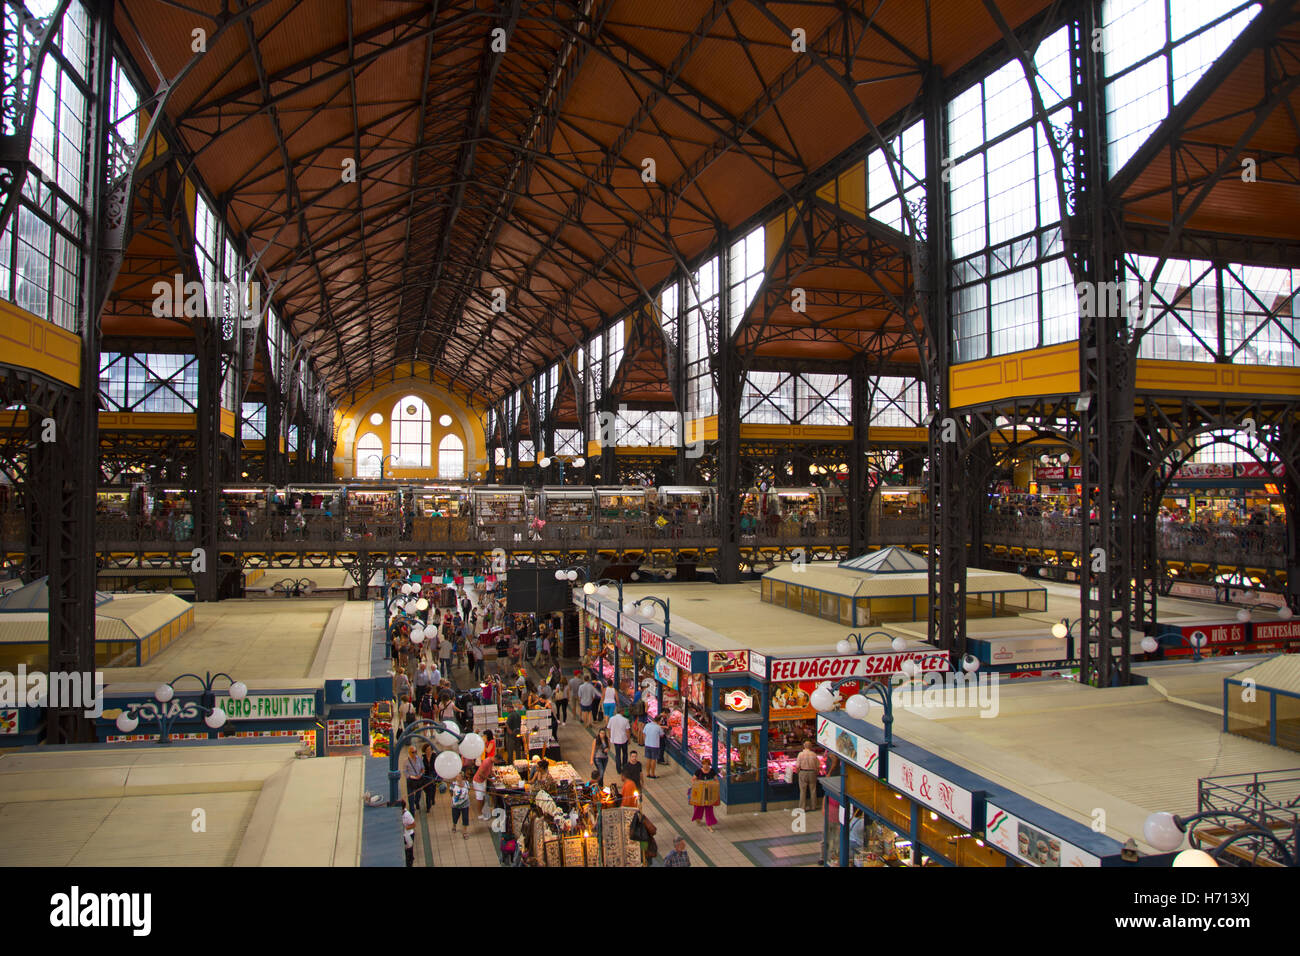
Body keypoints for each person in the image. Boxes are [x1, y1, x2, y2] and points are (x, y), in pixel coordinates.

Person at [690, 758, 719, 831]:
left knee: (709, 809)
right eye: (704, 764)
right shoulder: (698, 771)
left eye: (707, 765)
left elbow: (716, 781)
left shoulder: (712, 771)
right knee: (698, 807)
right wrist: (699, 784)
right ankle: (698, 818)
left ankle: (709, 824)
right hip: (700, 793)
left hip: (708, 793)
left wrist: (712, 784)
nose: (706, 766)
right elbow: (693, 779)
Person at [796, 739, 821, 811]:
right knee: (813, 790)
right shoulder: (814, 754)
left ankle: (802, 807)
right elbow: (818, 766)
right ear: (811, 746)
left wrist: (798, 773)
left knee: (802, 791)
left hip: (803, 772)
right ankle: (813, 806)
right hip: (812, 772)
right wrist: (816, 773)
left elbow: (797, 766)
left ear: (804, 746)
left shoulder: (800, 754)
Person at [473, 744, 495, 821]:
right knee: (479, 798)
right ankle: (479, 814)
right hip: (478, 781)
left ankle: (482, 812)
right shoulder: (486, 762)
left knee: (482, 797)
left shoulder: (491, 762)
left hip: (483, 781)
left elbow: (490, 770)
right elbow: (481, 774)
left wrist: (495, 776)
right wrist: (489, 779)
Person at [402, 745, 426, 812]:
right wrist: (411, 777)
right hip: (411, 780)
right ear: (409, 752)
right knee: (410, 796)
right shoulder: (406, 761)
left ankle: (417, 802)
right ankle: (412, 810)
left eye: (415, 752)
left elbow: (423, 768)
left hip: (419, 779)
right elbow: (405, 771)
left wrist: (420, 775)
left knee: (418, 793)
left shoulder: (419, 759)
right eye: (413, 752)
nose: (414, 753)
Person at [608, 707, 632, 772]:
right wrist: (629, 739)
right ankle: (624, 767)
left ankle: (618, 769)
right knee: (625, 753)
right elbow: (627, 731)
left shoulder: (611, 719)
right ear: (622, 711)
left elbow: (609, 728)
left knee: (617, 754)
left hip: (615, 739)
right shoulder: (625, 720)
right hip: (623, 739)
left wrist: (610, 737)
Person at [450, 772, 470, 838]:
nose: (457, 778)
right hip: (456, 805)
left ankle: (465, 831)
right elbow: (451, 793)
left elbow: (468, 791)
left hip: (465, 804)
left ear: (462, 777)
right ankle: (454, 825)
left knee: (465, 818)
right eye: (457, 777)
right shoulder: (453, 784)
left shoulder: (467, 783)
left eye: (459, 777)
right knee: (455, 816)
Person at [400, 799, 415, 867]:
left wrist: (405, 828)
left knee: (409, 850)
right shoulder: (400, 814)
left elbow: (413, 825)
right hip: (403, 835)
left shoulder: (407, 815)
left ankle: (410, 862)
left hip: (409, 835)